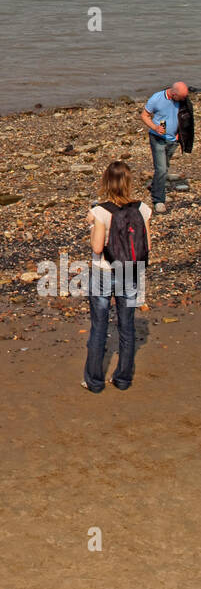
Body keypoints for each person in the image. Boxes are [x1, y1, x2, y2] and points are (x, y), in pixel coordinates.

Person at [82, 161, 151, 393]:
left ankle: (95, 381)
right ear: (129, 182)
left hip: (103, 272)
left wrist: (92, 226)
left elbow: (98, 247)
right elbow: (147, 245)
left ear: (106, 183)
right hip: (130, 271)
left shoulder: (100, 211)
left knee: (99, 328)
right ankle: (122, 379)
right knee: (127, 327)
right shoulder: (142, 209)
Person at [140, 82, 189, 212]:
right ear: (173, 94)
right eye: (182, 97)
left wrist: (182, 134)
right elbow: (144, 115)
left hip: (174, 139)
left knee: (164, 167)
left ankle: (155, 185)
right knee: (161, 169)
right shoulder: (157, 98)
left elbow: (185, 117)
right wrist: (155, 127)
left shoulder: (182, 100)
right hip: (158, 139)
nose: (184, 99)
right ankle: (158, 200)